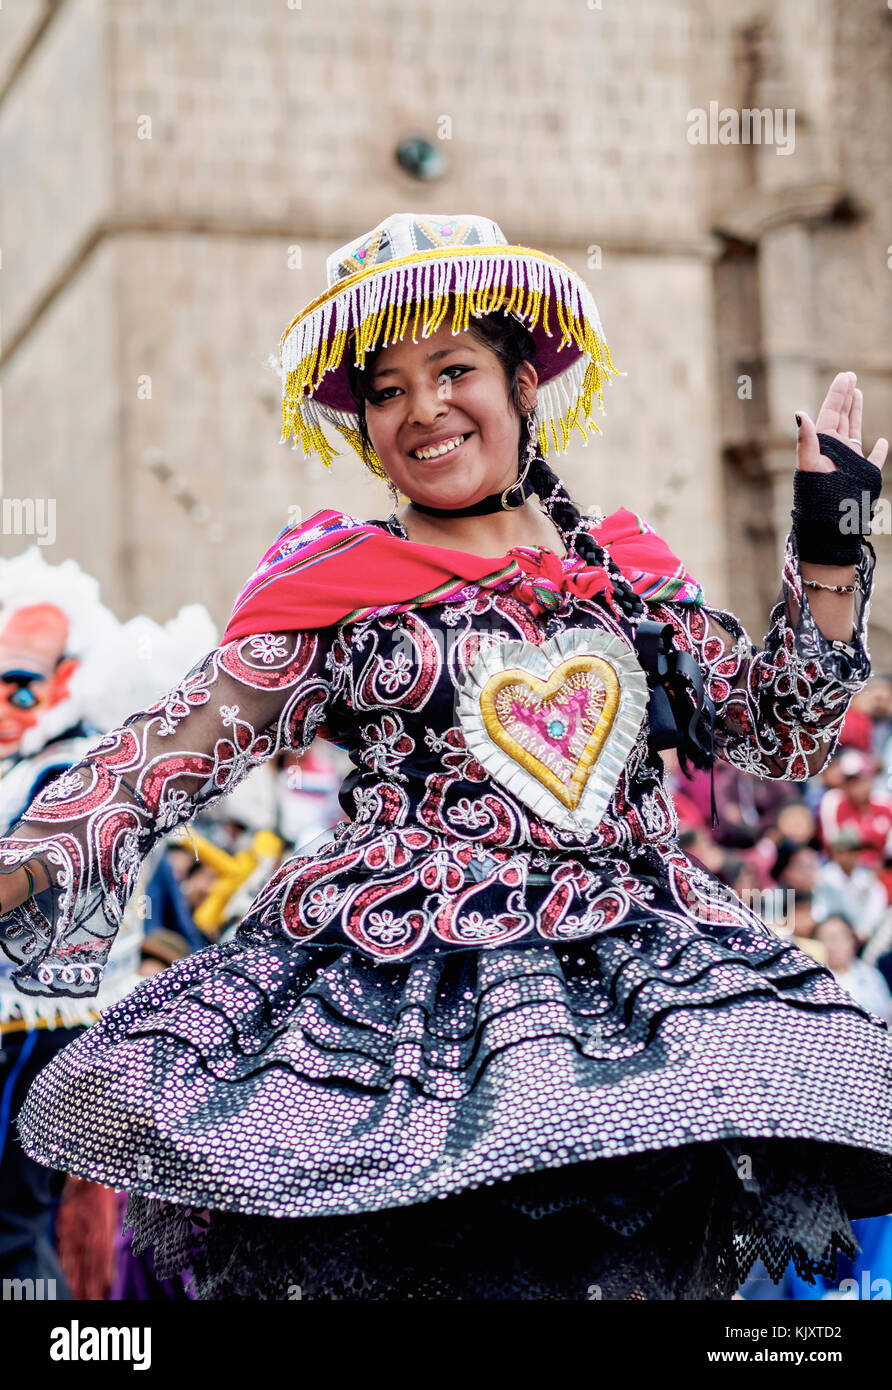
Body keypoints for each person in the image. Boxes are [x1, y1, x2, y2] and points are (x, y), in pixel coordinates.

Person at [0, 211, 890, 1301]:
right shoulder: (330, 583)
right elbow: (159, 761)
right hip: (401, 1032)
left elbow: (780, 732)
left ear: (524, 383)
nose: (421, 409)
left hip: (636, 1016)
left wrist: (830, 539)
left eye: (453, 368)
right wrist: (27, 861)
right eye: (385, 389)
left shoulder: (624, 570)